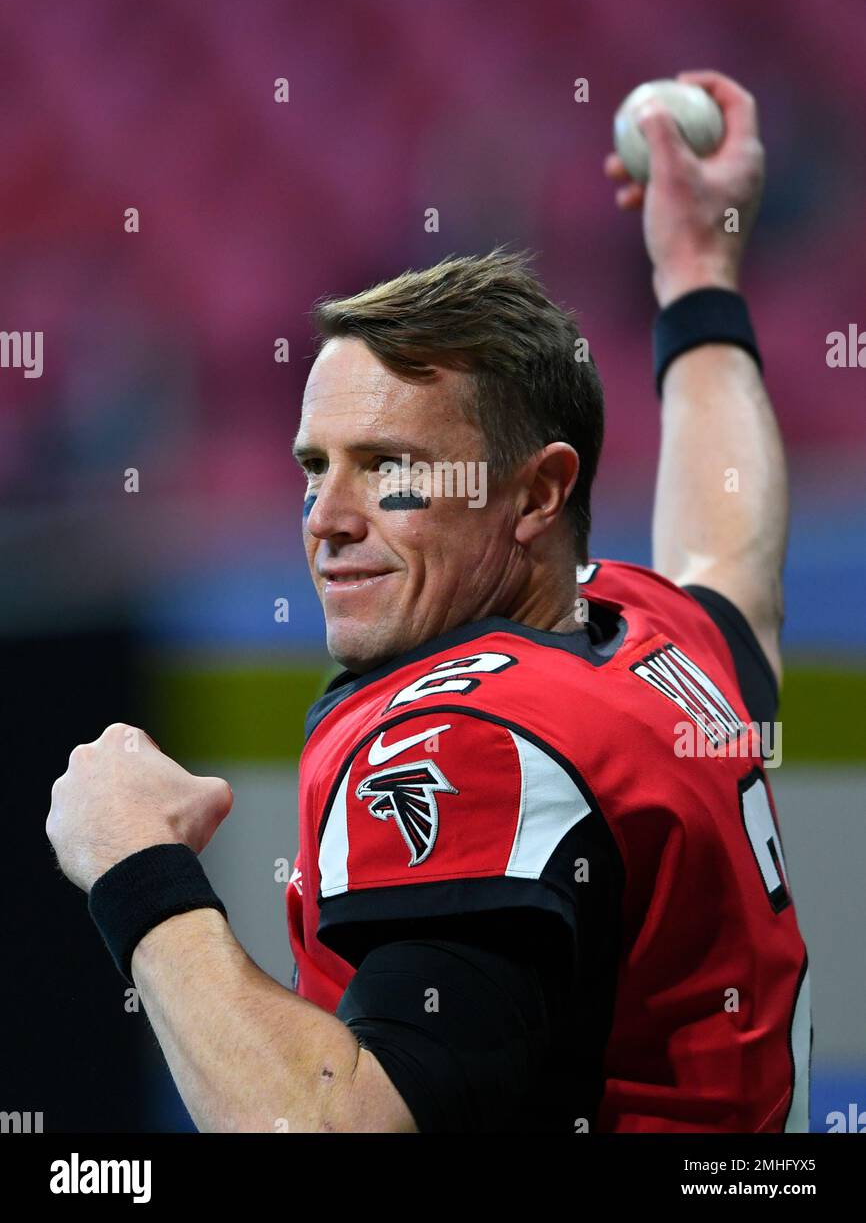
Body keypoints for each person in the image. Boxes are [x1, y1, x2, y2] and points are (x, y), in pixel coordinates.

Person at [47, 69, 810, 1133]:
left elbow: (327, 1129)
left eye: (391, 469)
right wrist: (696, 273)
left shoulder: (465, 745)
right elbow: (727, 555)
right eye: (316, 465)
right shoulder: (651, 635)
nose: (325, 516)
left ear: (538, 490)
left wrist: (134, 866)